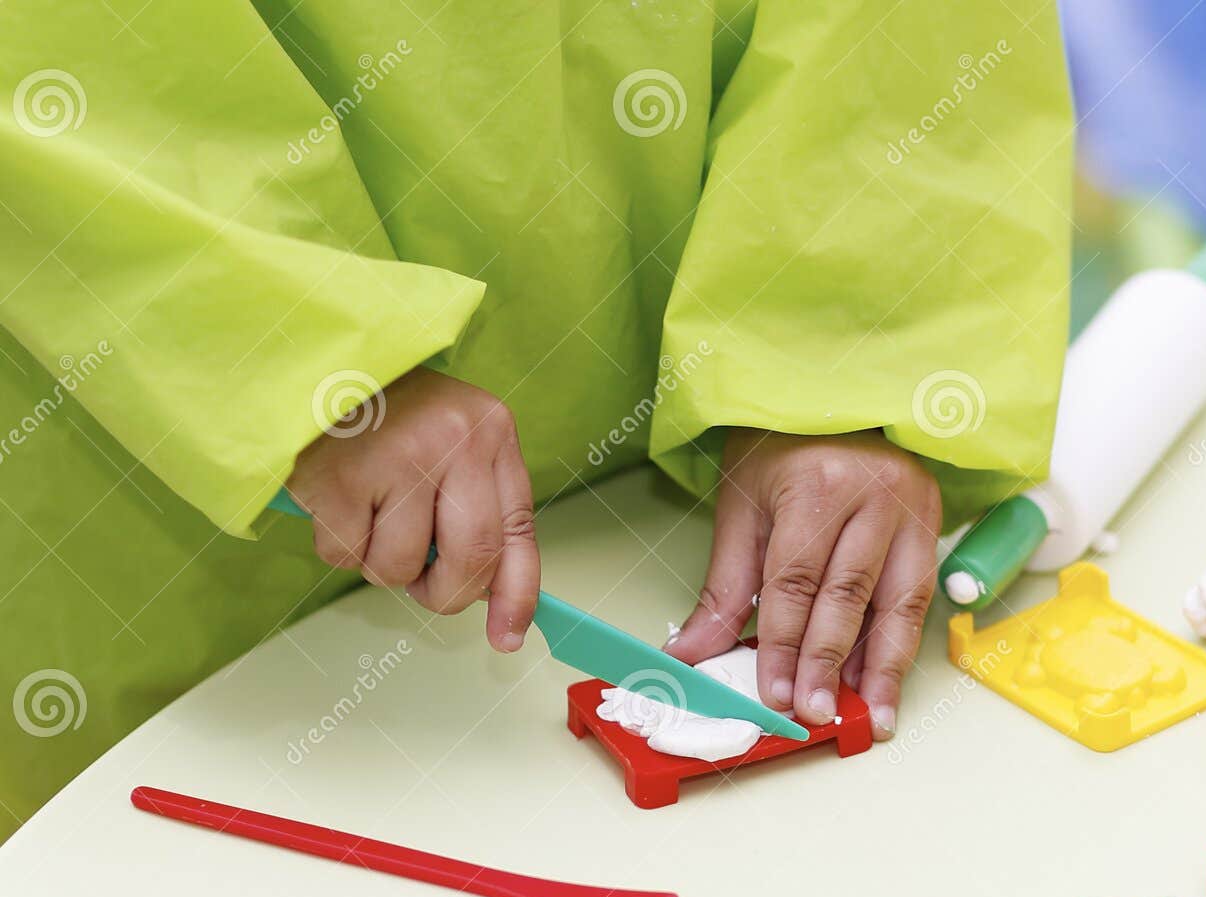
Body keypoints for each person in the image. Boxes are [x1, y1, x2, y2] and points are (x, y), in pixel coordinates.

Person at [0, 1, 1073, 839]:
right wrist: (294, 339)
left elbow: (900, 36)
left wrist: (845, 350)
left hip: (649, 473)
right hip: (150, 511)